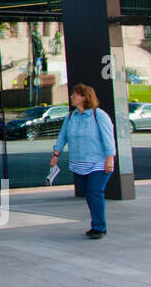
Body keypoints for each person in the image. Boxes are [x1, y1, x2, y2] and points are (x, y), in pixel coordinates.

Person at [49, 83, 116, 239]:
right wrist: (55, 154)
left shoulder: (98, 115)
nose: (72, 97)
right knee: (89, 193)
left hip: (98, 162)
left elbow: (108, 138)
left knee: (95, 191)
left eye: (75, 94)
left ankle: (99, 227)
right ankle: (96, 225)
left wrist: (109, 159)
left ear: (85, 97)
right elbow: (63, 136)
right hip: (79, 163)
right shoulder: (71, 116)